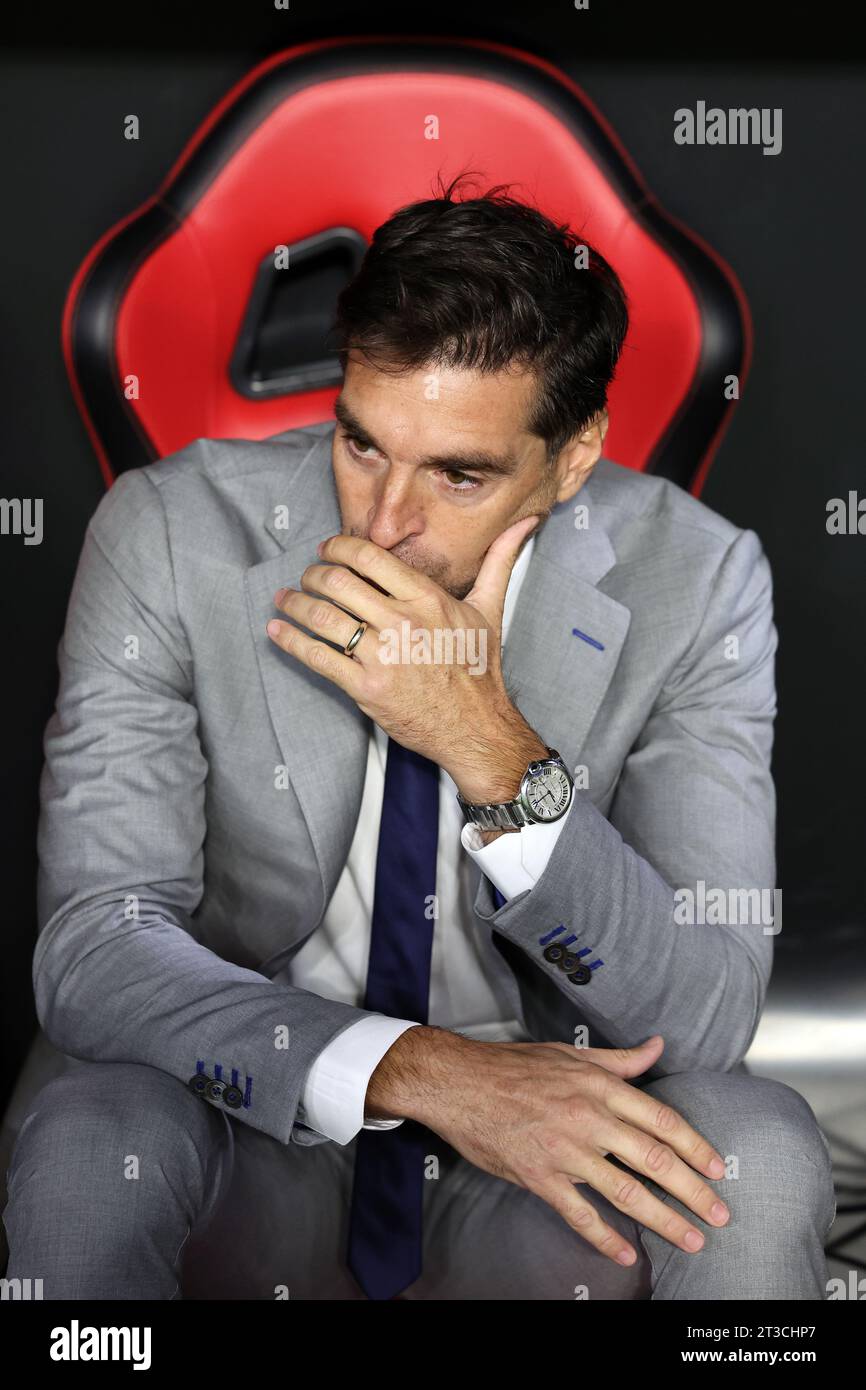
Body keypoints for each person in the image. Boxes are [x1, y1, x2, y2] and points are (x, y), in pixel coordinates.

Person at [3, 177, 835, 1300]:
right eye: (359, 442)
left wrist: (489, 745)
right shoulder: (166, 530)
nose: (384, 521)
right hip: (253, 1110)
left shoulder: (697, 576)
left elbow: (701, 1012)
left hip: (548, 1143)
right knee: (91, 1138)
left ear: (574, 453)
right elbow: (97, 945)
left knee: (760, 1155)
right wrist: (420, 1072)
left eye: (459, 473)